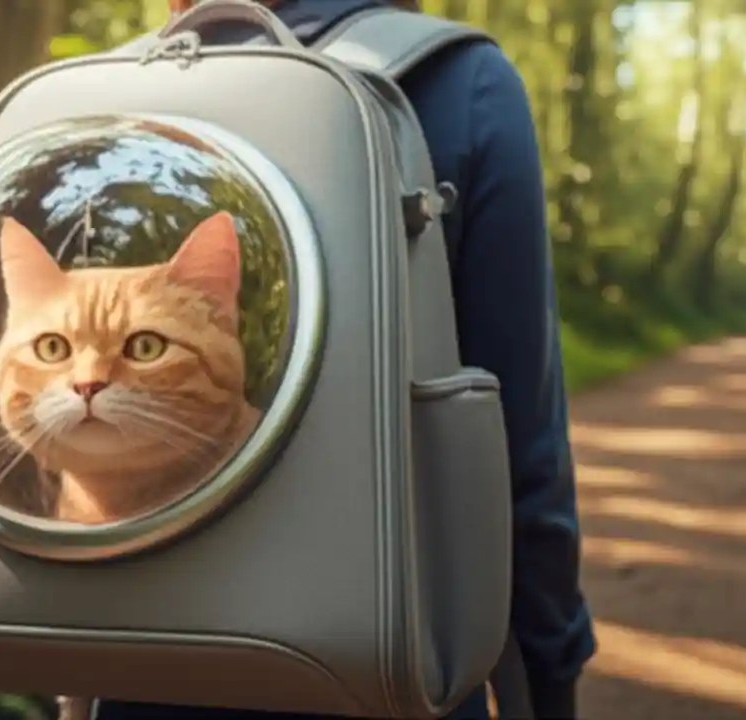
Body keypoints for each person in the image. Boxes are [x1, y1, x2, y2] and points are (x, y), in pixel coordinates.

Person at [97, 1, 596, 718]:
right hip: (384, 672)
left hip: (140, 668)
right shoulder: (462, 86)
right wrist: (552, 668)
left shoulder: (109, 95)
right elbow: (520, 442)